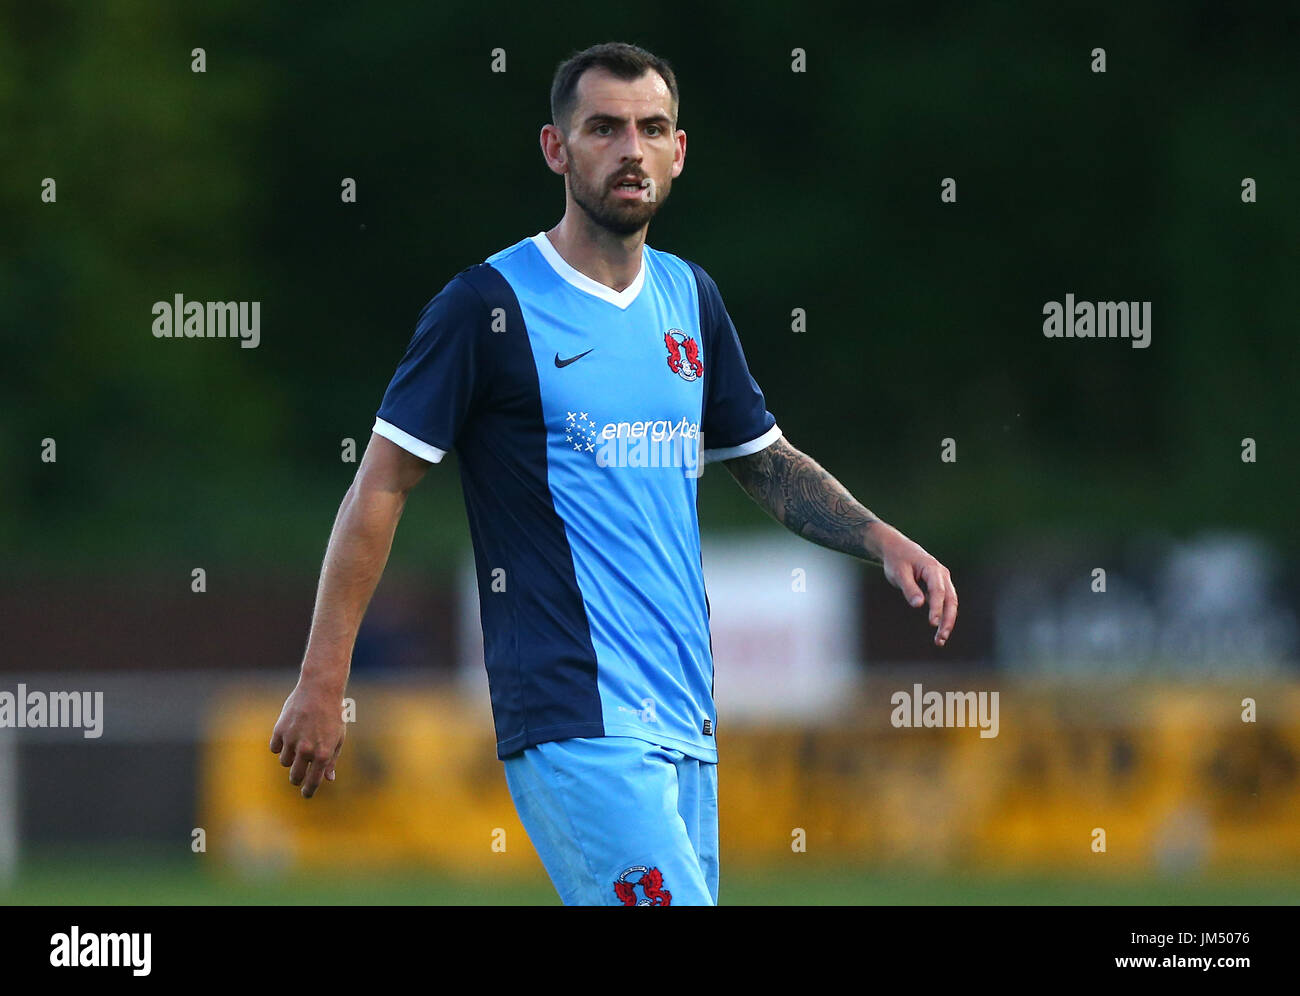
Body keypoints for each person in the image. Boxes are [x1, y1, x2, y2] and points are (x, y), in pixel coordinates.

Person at [270, 41, 957, 906]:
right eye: (604, 128)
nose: (630, 148)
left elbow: (765, 461)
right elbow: (380, 484)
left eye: (651, 128)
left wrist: (879, 536)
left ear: (679, 151)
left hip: (686, 716)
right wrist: (322, 684)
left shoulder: (688, 297)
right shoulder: (487, 308)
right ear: (557, 149)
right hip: (573, 716)